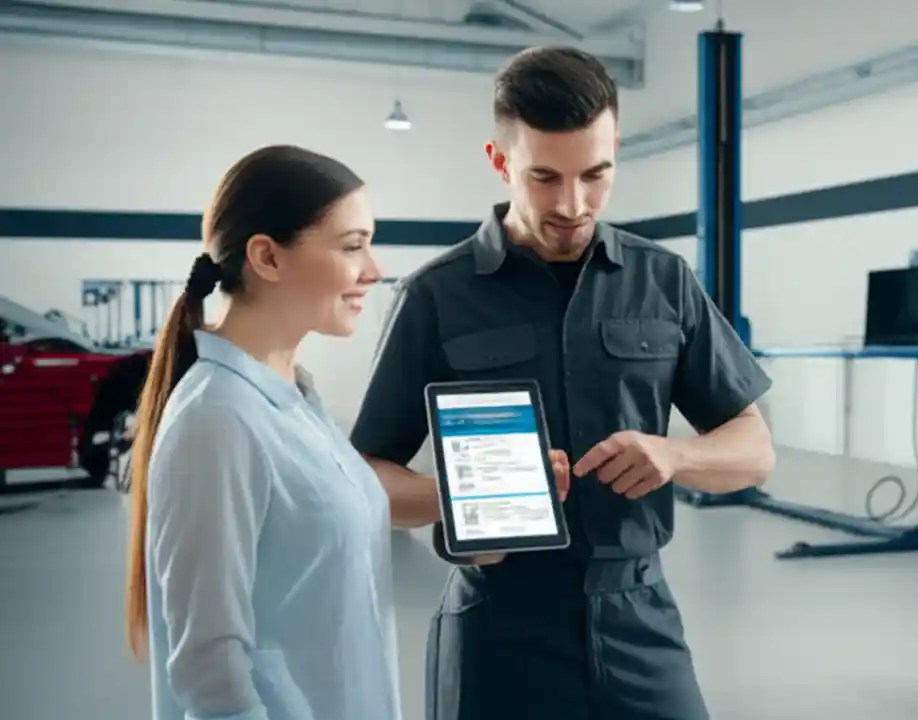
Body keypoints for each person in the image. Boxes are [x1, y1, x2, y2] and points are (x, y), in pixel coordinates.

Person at [351, 46, 777, 720]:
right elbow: (365, 479)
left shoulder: (663, 280)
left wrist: (677, 454)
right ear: (500, 160)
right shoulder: (435, 296)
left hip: (641, 621)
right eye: (544, 177)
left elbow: (755, 450)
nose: (573, 204)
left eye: (596, 176)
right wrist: (468, 499)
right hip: (499, 629)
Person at [123, 144, 400, 720]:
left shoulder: (294, 397)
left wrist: (475, 503)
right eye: (353, 247)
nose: (373, 270)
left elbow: (335, 508)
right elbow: (210, 672)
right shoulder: (216, 420)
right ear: (267, 258)